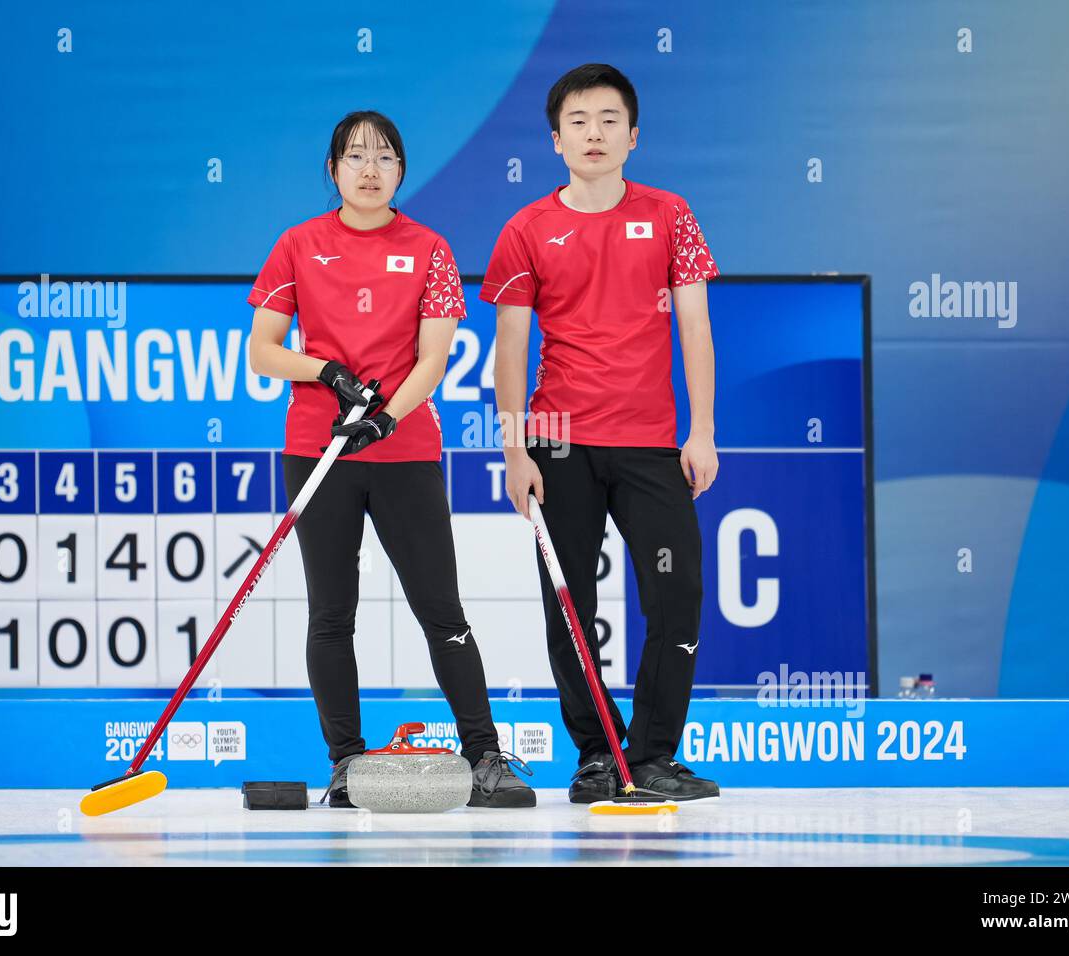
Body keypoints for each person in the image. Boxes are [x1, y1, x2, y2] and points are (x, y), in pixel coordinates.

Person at [247, 110, 534, 809]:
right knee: (331, 613)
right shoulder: (300, 245)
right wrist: (326, 372)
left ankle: (486, 757)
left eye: (384, 157)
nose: (369, 169)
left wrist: (383, 419)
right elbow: (262, 351)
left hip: (403, 449)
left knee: (441, 608)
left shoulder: (429, 247)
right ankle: (346, 762)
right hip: (318, 449)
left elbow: (433, 357)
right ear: (333, 170)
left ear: (402, 170)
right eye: (354, 156)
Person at [481, 64, 721, 802]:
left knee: (676, 597)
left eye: (609, 119)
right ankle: (596, 758)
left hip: (651, 438)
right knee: (569, 603)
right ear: (556, 140)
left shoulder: (670, 213)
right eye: (578, 121)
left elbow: (694, 325)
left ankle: (650, 757)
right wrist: (515, 448)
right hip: (557, 440)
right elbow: (512, 347)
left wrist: (703, 430)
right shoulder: (527, 227)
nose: (594, 133)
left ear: (633, 135)